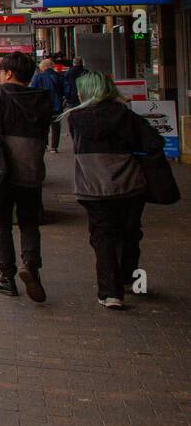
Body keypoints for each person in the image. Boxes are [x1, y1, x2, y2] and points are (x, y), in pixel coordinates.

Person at [64, 71, 163, 310]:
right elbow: (154, 143)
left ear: (86, 92)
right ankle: (128, 276)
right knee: (129, 232)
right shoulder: (126, 117)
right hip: (130, 185)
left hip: (92, 187)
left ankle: (111, 293)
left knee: (103, 237)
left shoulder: (75, 118)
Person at [0, 51, 54, 301]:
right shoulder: (42, 99)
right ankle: (31, 266)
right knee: (29, 223)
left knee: (2, 224)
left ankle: (6, 276)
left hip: (0, 172)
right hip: (31, 169)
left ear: (8, 73)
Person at [29, 57, 64, 152]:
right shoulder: (59, 76)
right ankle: (54, 147)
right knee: (56, 127)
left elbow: (33, 90)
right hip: (57, 105)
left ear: (43, 67)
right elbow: (64, 90)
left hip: (42, 106)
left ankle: (44, 144)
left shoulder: (38, 77)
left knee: (43, 126)